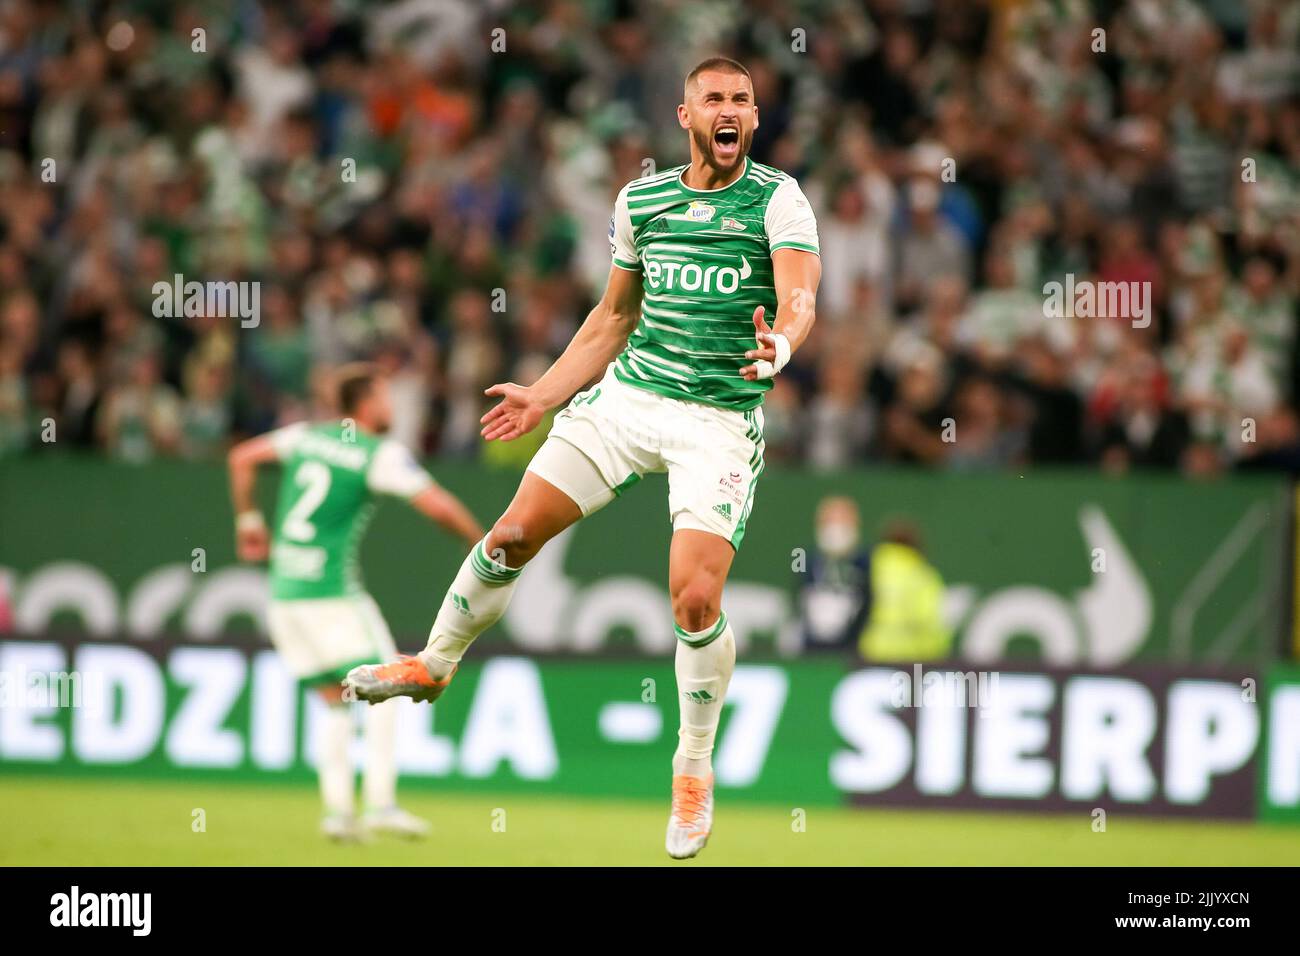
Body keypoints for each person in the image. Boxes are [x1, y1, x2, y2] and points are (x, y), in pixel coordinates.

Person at [345, 56, 821, 860]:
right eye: (715, 99)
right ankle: (433, 663)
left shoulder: (777, 198)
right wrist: (544, 393)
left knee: (694, 602)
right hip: (627, 402)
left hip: (717, 419)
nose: (730, 110)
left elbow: (801, 293)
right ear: (686, 115)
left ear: (755, 117)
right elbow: (611, 319)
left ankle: (693, 767)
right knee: (510, 536)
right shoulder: (643, 201)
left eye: (743, 100)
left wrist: (783, 343)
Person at [227, 363, 483, 841]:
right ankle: (382, 805)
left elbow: (241, 458)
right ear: (365, 404)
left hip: (284, 596)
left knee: (335, 701)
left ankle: (339, 814)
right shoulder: (376, 454)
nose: (392, 407)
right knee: (389, 682)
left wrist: (248, 522)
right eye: (385, 397)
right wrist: (482, 545)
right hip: (331, 595)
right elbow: (438, 506)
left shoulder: (305, 437)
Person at [858, 520, 952, 662]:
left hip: (870, 655)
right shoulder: (924, 575)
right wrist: (937, 654)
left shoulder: (869, 567)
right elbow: (930, 620)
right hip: (911, 659)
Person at [797, 496, 871, 651]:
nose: (835, 530)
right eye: (829, 523)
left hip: (854, 657)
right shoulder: (805, 561)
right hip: (811, 655)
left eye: (842, 523)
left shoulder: (867, 564)